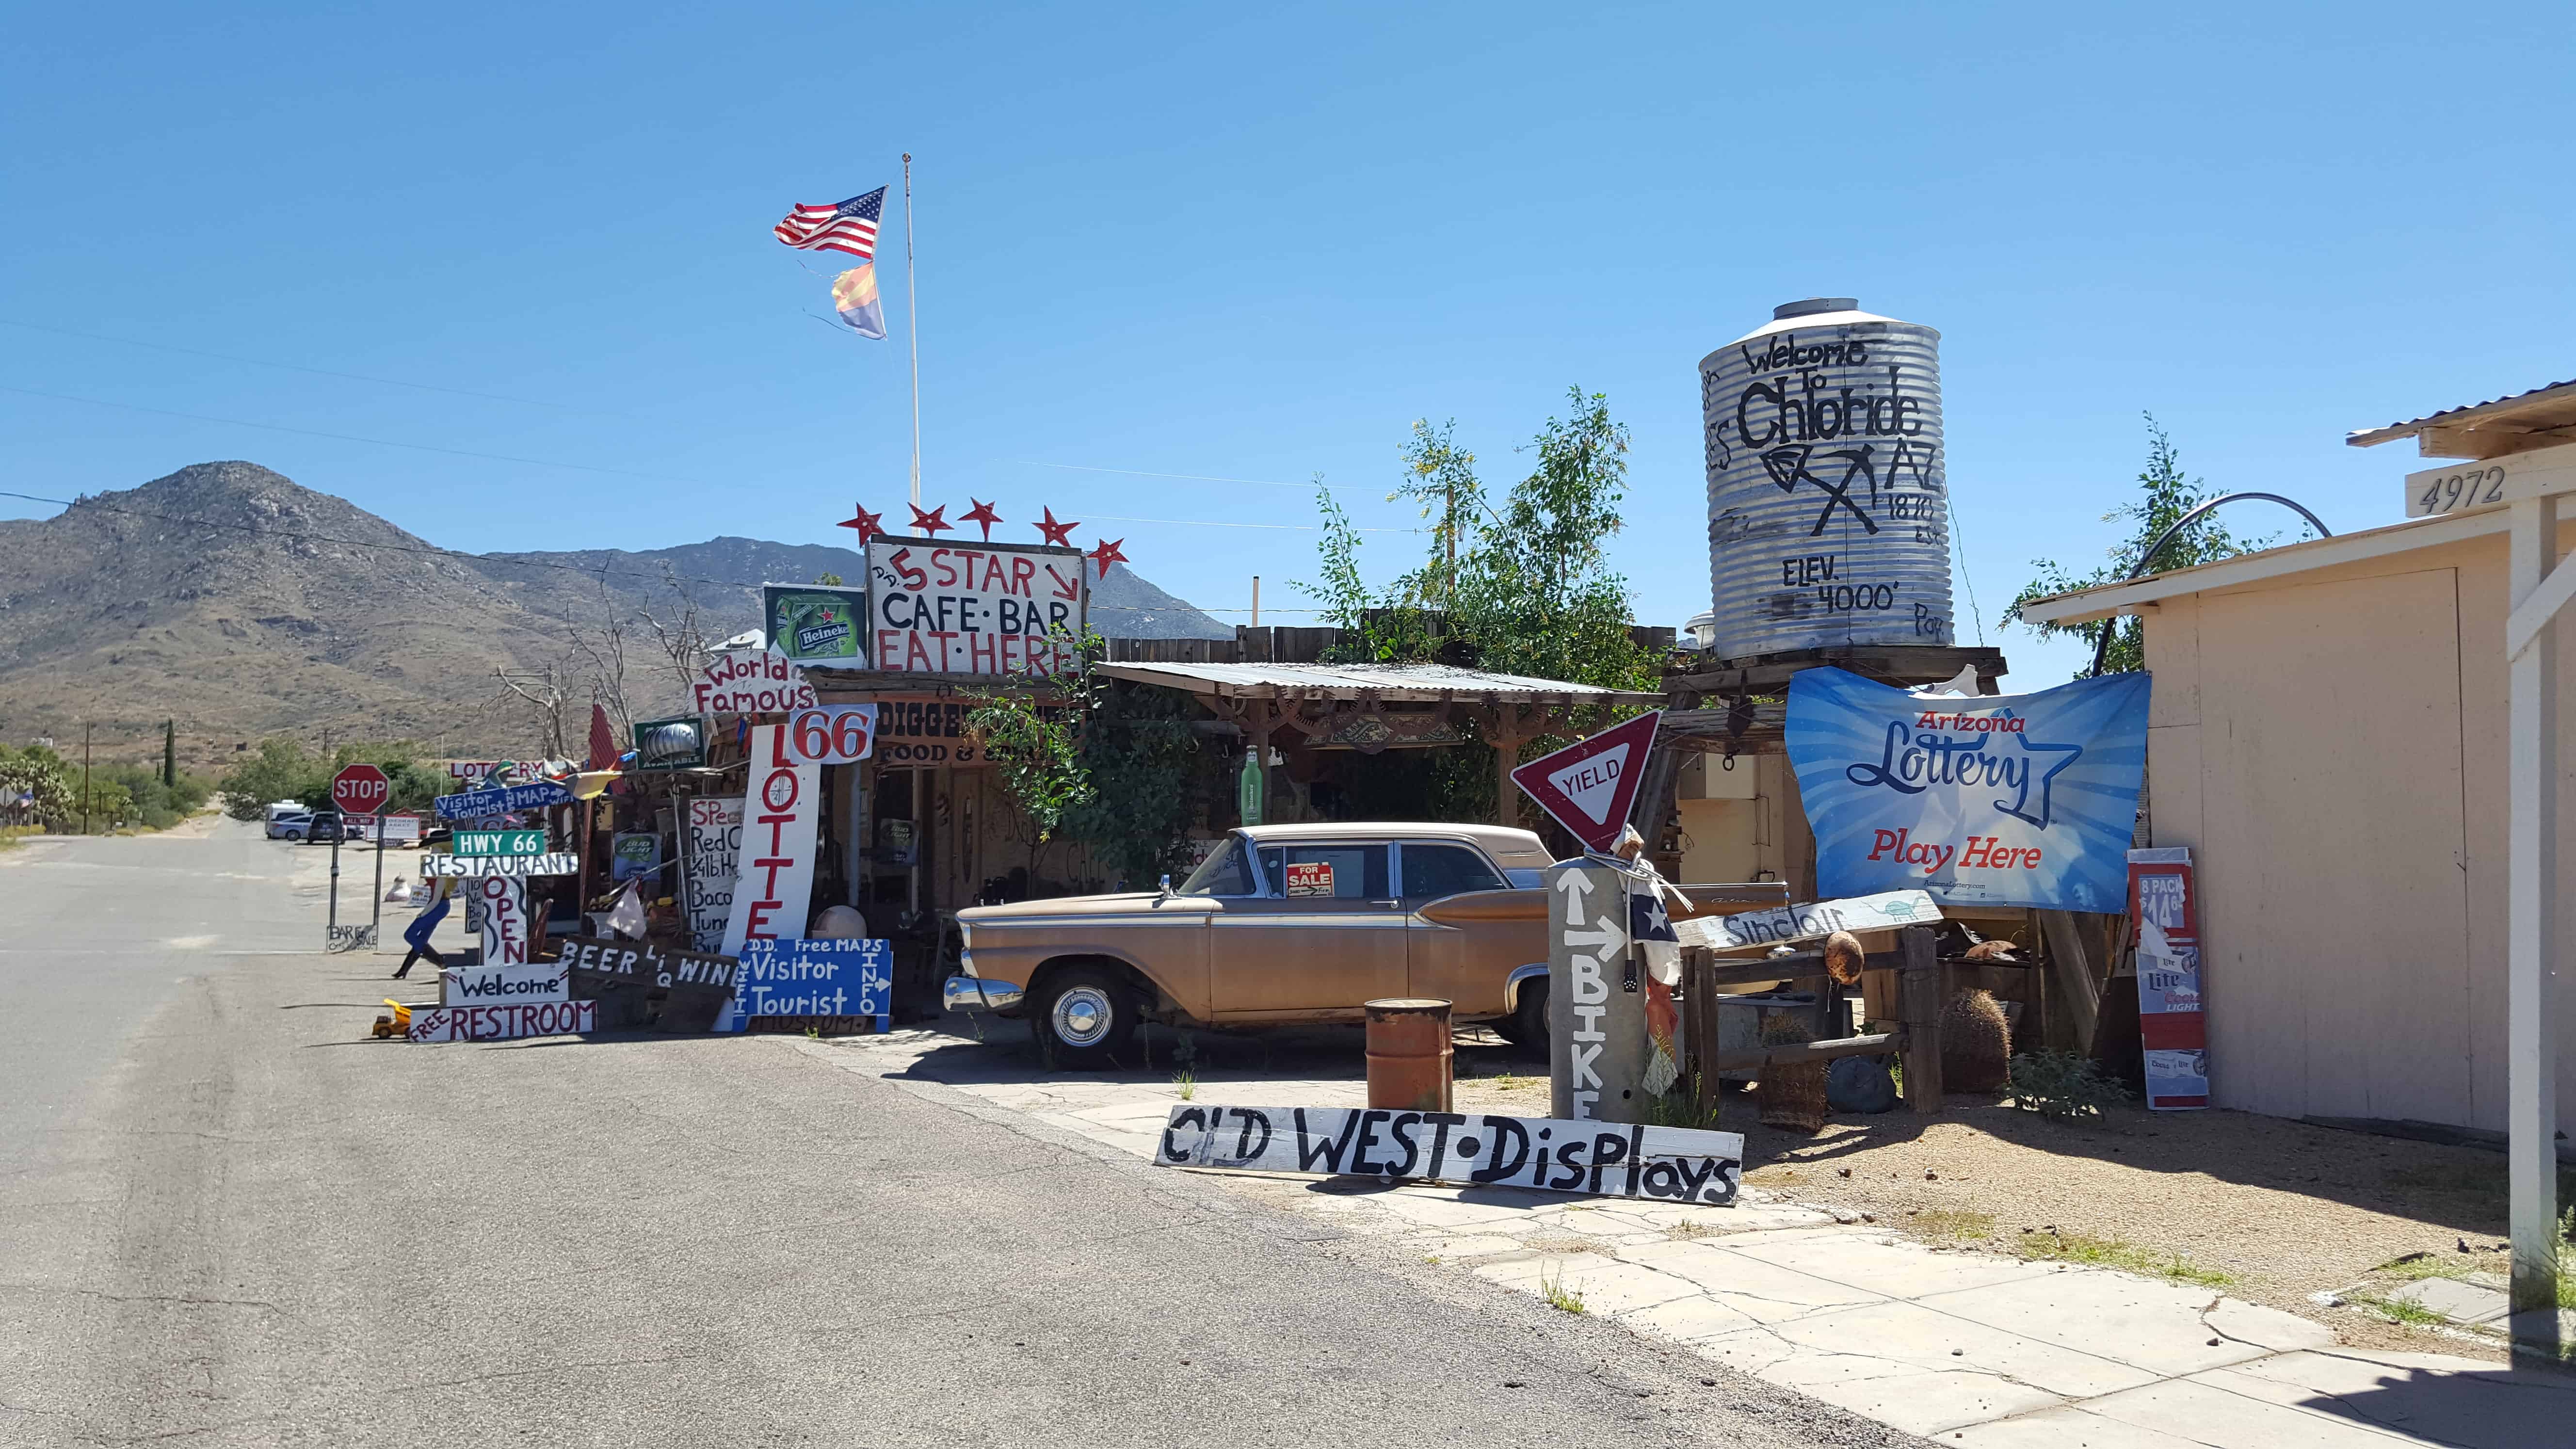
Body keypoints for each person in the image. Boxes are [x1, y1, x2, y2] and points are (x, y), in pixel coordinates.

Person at [392, 875, 455, 979]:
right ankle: (404, 970)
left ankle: (440, 960)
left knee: (410, 935)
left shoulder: (440, 878)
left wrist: (423, 914)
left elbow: (436, 900)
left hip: (439, 906)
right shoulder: (431, 875)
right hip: (439, 906)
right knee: (421, 940)